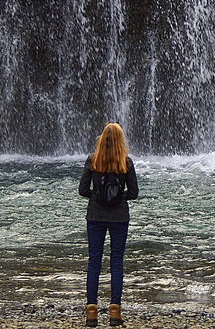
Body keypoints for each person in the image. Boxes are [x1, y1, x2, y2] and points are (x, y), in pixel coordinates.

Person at [78, 122, 139, 327]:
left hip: (95, 215)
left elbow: (82, 190)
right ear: (122, 141)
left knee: (94, 262)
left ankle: (92, 312)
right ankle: (115, 311)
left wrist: (98, 196)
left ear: (101, 140)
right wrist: (118, 197)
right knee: (117, 262)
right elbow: (134, 193)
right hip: (119, 217)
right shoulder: (126, 163)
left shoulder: (92, 161)